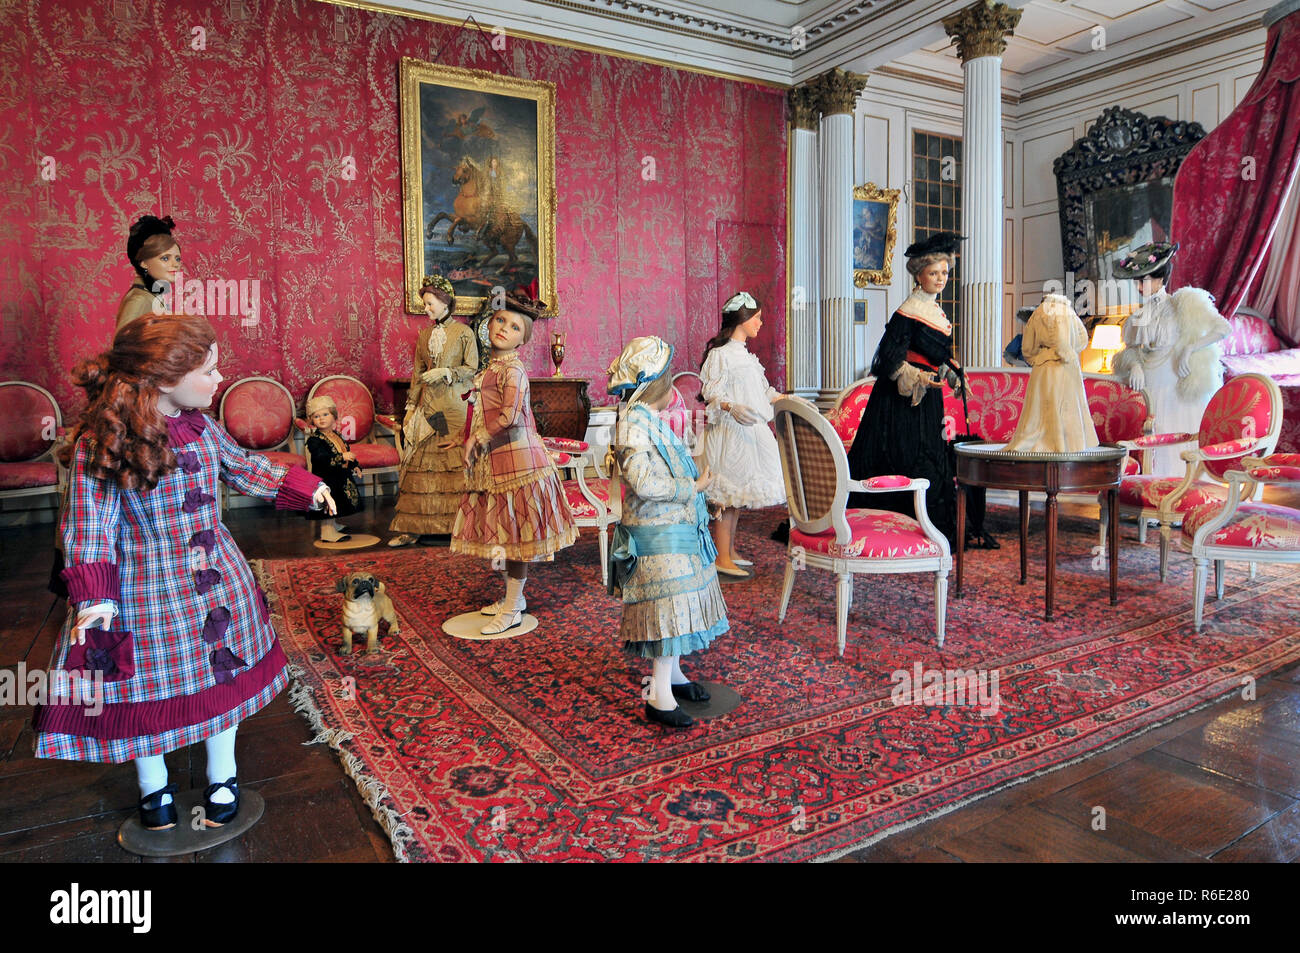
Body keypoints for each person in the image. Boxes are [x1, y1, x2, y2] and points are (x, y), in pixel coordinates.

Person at [32, 315, 334, 832]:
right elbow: (88, 524)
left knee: (224, 679)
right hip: (145, 591)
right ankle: (155, 790)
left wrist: (304, 487)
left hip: (217, 579)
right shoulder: (105, 440)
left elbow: (241, 466)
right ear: (163, 376)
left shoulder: (201, 427)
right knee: (143, 691)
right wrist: (95, 599)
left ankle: (223, 776)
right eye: (210, 370)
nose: (221, 380)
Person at [606, 337, 729, 729]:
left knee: (678, 607)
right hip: (655, 534)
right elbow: (645, 484)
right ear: (656, 383)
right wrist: (691, 489)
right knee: (666, 611)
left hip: (674, 527)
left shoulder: (646, 420)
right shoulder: (632, 425)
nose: (674, 387)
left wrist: (703, 499)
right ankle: (658, 696)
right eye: (669, 378)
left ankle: (672, 678)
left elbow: (673, 471)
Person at [451, 290, 577, 635]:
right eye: (500, 320)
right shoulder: (493, 367)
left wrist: (478, 437)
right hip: (498, 460)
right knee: (506, 534)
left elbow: (508, 416)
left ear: (523, 339)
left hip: (519, 463)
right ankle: (513, 599)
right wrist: (467, 436)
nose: (504, 328)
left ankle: (512, 608)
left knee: (517, 537)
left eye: (515, 327)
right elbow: (482, 412)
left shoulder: (514, 370)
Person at [846, 232, 965, 547]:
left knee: (930, 453)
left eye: (945, 273)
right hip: (901, 400)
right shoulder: (908, 308)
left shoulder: (937, 312)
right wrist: (919, 377)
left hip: (930, 398)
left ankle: (931, 530)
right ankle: (895, 528)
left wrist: (951, 373)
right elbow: (888, 357)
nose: (940, 279)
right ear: (919, 275)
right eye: (933, 273)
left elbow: (937, 355)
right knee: (907, 455)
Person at [1112, 241, 1231, 476]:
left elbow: (1223, 328)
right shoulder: (1138, 316)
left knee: (1182, 433)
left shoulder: (1183, 305)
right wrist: (1135, 364)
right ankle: (1156, 497)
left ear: (1160, 279)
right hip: (1153, 382)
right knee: (1156, 433)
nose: (1139, 286)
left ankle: (1188, 496)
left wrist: (1190, 348)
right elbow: (1130, 349)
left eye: (1144, 280)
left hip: (1178, 380)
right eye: (1137, 281)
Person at [698, 292, 789, 577]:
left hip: (750, 430)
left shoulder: (748, 357)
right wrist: (729, 405)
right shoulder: (720, 355)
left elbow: (761, 391)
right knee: (727, 495)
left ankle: (730, 550)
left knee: (738, 494)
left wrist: (783, 398)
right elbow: (710, 393)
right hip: (730, 432)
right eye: (758, 318)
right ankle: (721, 556)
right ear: (743, 319)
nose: (761, 324)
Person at [389, 275, 479, 545]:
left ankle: (462, 528)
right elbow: (417, 374)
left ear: (444, 302)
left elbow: (472, 369)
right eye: (424, 304)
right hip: (430, 408)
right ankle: (414, 528)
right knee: (422, 466)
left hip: (454, 406)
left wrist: (446, 372)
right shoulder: (425, 335)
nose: (426, 309)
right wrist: (410, 406)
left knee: (455, 465)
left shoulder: (464, 332)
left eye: (429, 304)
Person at [1003, 294, 1099, 453]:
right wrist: (1070, 351)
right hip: (1068, 367)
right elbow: (1082, 339)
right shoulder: (1069, 312)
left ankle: (1048, 443)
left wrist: (1037, 358)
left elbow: (1028, 348)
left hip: (1044, 367)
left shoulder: (1038, 314)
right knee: (1069, 406)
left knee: (1040, 409)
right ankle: (1069, 445)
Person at [305, 395, 362, 542]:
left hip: (339, 475)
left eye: (325, 414)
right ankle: (327, 531)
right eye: (316, 416)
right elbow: (321, 458)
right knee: (328, 502)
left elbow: (346, 450)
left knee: (339, 500)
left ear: (334, 416)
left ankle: (333, 525)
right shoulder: (315, 440)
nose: (321, 419)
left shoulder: (336, 435)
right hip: (326, 478)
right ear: (312, 420)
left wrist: (355, 465)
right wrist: (341, 457)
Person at [115, 215, 182, 332]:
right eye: (165, 258)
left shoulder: (152, 295)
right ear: (144, 263)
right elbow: (121, 347)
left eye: (177, 258)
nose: (175, 264)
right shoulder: (139, 300)